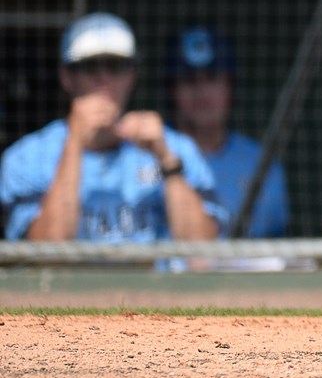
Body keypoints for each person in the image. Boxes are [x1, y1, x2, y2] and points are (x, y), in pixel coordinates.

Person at [0, 13, 224, 242]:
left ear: (132, 75)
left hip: (152, 278)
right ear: (67, 77)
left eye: (116, 67)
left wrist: (165, 159)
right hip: (74, 280)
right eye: (90, 67)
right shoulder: (26, 158)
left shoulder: (175, 148)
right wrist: (75, 142)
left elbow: (201, 255)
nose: (104, 79)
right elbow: (46, 251)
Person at [166, 25, 289, 239]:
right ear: (172, 89)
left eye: (212, 78)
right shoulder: (149, 155)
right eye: (189, 80)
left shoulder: (261, 163)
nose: (201, 92)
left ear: (230, 86)